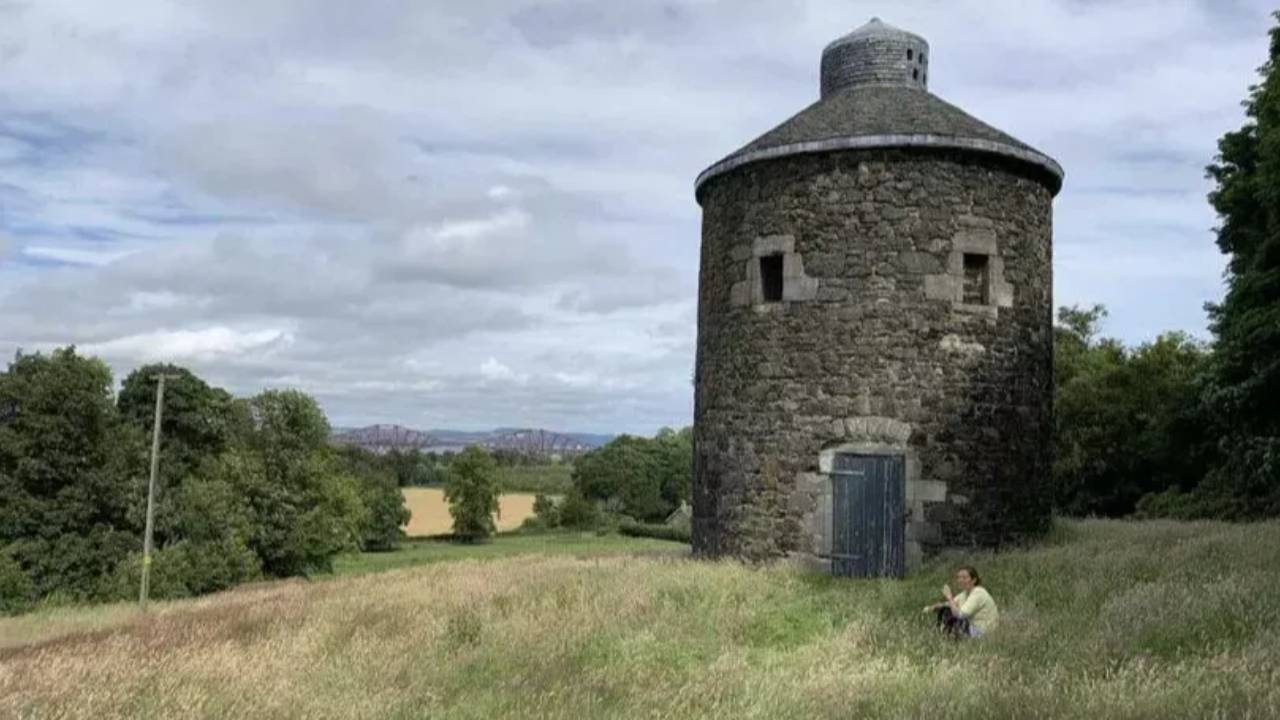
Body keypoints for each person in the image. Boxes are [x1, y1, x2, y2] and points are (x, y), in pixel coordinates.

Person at [922, 566, 998, 638]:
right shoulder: (964, 594)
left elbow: (960, 614)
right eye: (959, 577)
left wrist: (949, 597)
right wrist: (928, 609)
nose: (960, 580)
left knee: (950, 613)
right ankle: (940, 633)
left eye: (964, 578)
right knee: (945, 609)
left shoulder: (978, 593)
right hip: (973, 628)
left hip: (982, 632)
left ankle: (944, 636)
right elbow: (947, 604)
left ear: (974, 580)